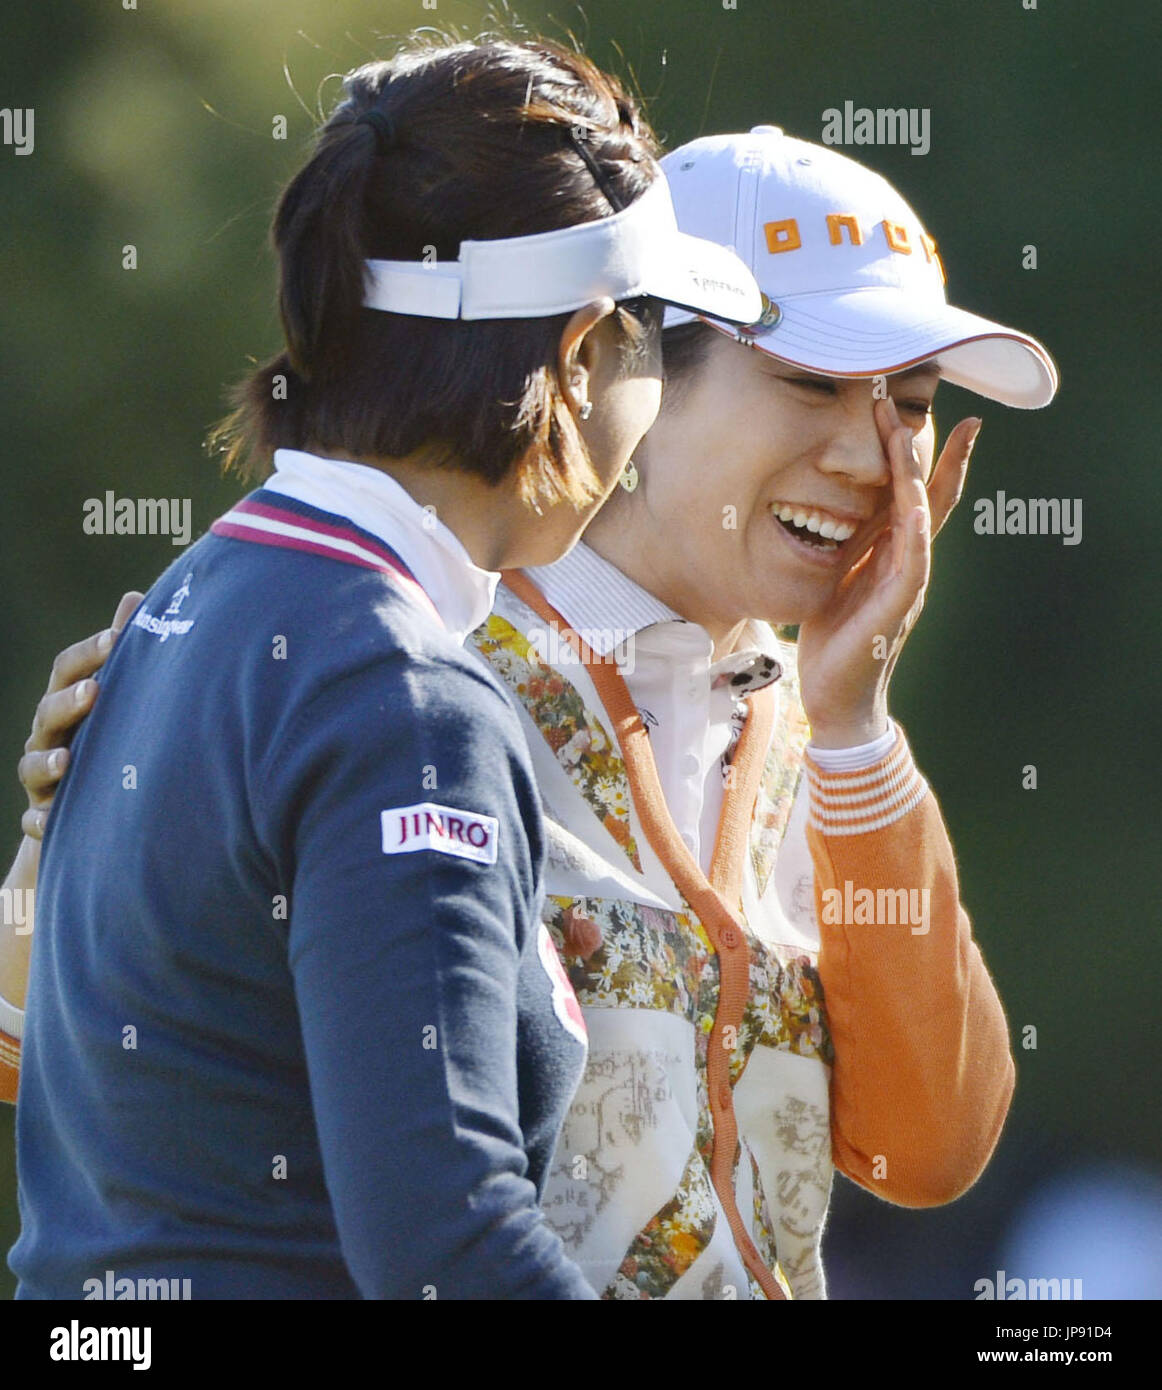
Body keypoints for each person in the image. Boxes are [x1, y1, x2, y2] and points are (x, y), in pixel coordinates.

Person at [3, 127, 1056, 1301]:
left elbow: (926, 1149)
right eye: (813, 381)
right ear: (626, 365)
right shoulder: (397, 648)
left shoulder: (819, 730)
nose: (874, 455)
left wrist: (858, 727)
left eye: (909, 402)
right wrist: (69, 830)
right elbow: (64, 1064)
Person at [0, 36, 762, 1301]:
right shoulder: (400, 694)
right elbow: (446, 1249)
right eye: (650, 342)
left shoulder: (193, 598)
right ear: (576, 360)